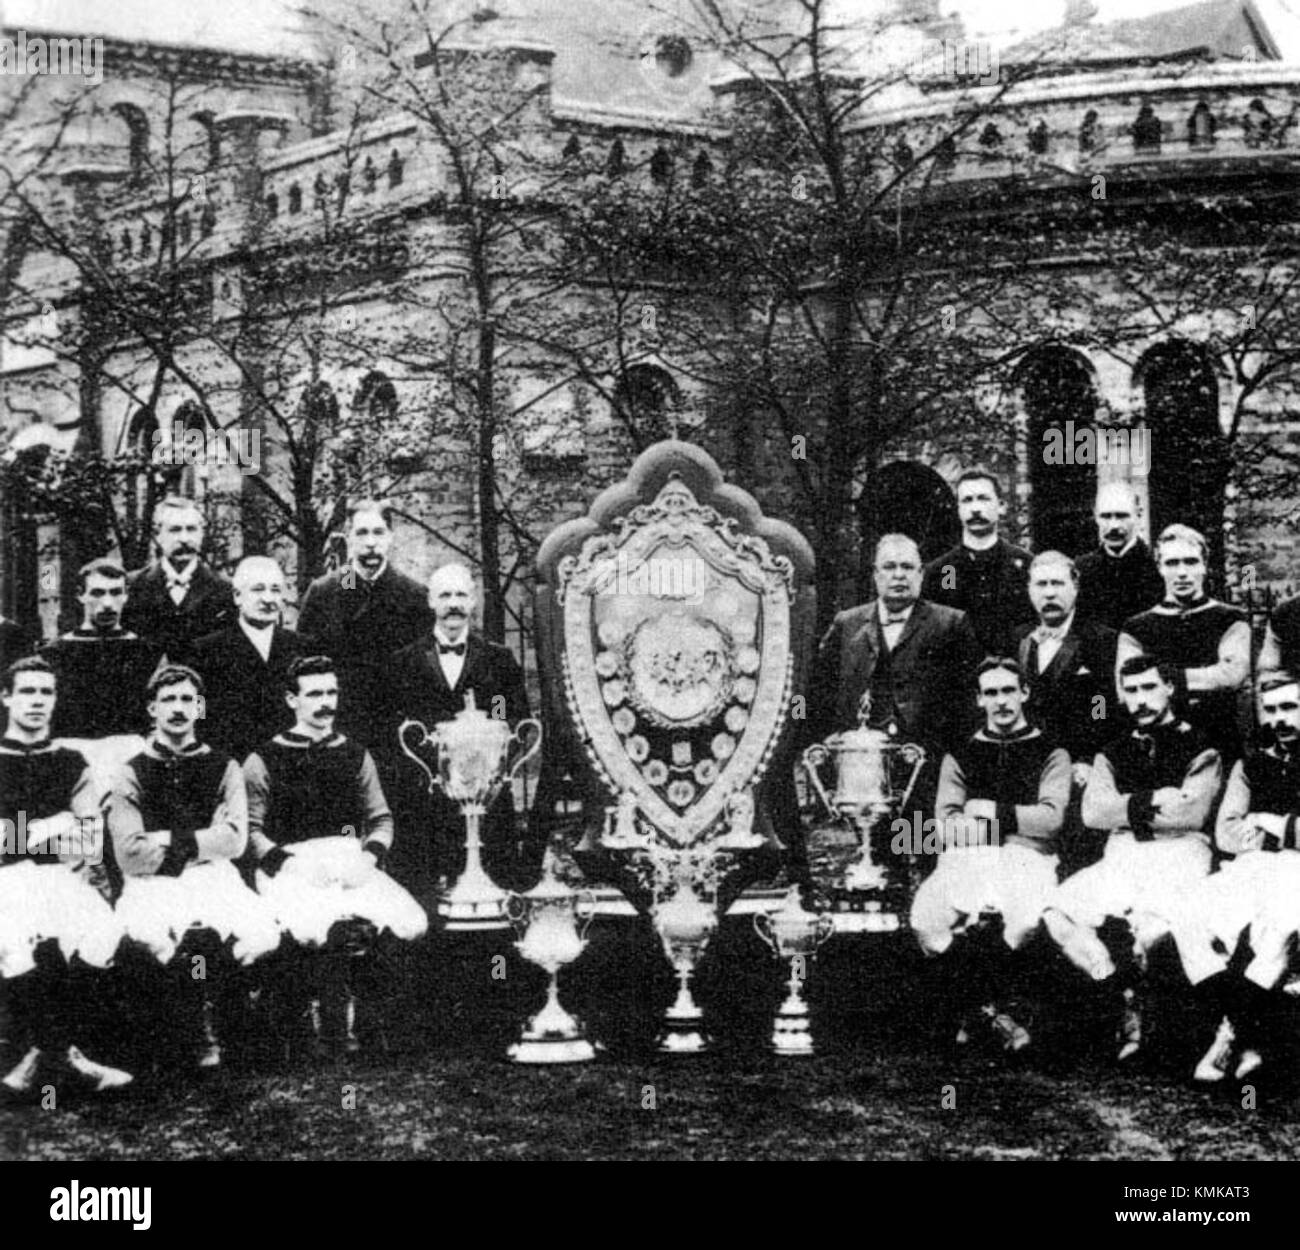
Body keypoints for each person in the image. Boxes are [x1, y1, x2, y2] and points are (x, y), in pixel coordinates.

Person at [1042, 654, 1221, 1062]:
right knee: (1058, 912)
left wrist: (1123, 808)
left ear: (1170, 689)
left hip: (1181, 852)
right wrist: (1150, 800)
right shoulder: (1112, 750)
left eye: (1149, 688)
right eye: (1131, 690)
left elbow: (1190, 814)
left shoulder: (1201, 745)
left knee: (1154, 930)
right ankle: (1117, 990)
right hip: (1123, 852)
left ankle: (1156, 1019)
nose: (1140, 699)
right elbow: (1093, 813)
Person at [244, 656, 427, 1057]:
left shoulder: (355, 753)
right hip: (288, 863)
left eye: (331, 692)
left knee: (408, 921)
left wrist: (367, 859)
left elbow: (380, 819)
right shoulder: (263, 758)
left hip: (347, 858)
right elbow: (250, 830)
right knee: (318, 926)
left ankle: (373, 1023)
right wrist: (288, 864)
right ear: (292, 699)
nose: (325, 702)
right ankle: (325, 1030)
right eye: (314, 694)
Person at [105, 665, 281, 1072]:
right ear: (152, 708)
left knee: (258, 933)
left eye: (187, 700)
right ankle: (185, 1031)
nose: (178, 708)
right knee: (156, 937)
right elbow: (130, 853)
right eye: (168, 700)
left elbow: (235, 840)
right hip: (152, 882)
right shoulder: (130, 771)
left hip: (213, 877)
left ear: (200, 708)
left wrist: (165, 838)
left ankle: (230, 1022)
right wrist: (203, 837)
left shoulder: (224, 766)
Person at [911, 657, 1070, 1052]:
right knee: (925, 921)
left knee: (1023, 923)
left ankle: (976, 1010)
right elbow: (945, 827)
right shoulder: (960, 754)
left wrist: (989, 811)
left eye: (1008, 691)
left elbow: (1051, 821)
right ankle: (993, 1013)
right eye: (991, 693)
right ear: (979, 700)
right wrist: (1012, 820)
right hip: (967, 859)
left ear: (1024, 694)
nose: (1001, 701)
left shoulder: (1053, 752)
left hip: (1027, 859)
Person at [0, 658, 132, 1098]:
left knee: (104, 928)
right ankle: (68, 1057)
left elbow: (89, 838)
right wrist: (55, 823)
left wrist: (26, 830)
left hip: (61, 877)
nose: (37, 701)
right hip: (8, 881)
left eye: (46, 693)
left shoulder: (72, 760)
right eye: (27, 692)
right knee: (10, 941)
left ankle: (43, 1054)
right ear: (6, 697)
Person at [386, 562, 534, 896]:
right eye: (445, 595)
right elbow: (394, 729)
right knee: (427, 900)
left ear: (473, 602)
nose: (453, 603)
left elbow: (511, 719)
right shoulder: (404, 662)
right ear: (431, 602)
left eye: (461, 595)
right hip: (426, 803)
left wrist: (492, 745)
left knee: (492, 896)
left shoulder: (498, 660)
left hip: (486, 802)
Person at [1181, 672, 1300, 1083]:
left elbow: (1255, 825)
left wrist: (1273, 822)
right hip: (1254, 865)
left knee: (1282, 927)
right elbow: (1227, 832)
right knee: (1189, 916)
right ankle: (1245, 1035)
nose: (1280, 719)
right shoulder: (1253, 764)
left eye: (1290, 708)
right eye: (1272, 710)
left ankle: (1229, 1038)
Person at [809, 533, 982, 805]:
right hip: (863, 768)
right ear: (876, 575)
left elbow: (970, 699)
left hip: (930, 768)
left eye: (907, 567)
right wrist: (828, 739)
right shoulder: (847, 624)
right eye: (889, 567)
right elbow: (818, 688)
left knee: (924, 843)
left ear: (921, 574)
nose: (899, 575)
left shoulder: (951, 624)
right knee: (873, 844)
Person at [297, 500, 431, 755]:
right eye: (362, 533)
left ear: (390, 537)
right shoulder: (325, 592)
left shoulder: (414, 596)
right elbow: (303, 664)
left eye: (378, 532)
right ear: (348, 538)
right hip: (339, 730)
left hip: (398, 736)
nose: (371, 542)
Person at [1016, 552, 1119, 873]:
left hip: (1078, 768)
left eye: (1058, 584)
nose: (1049, 593)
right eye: (1041, 584)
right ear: (1030, 590)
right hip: (1029, 765)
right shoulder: (1018, 641)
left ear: (1075, 588)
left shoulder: (1101, 641)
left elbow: (1106, 708)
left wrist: (1089, 759)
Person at [1116, 524, 1249, 760]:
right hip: (1157, 745)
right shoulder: (1136, 627)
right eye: (1171, 563)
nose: (1182, 572)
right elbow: (1125, 688)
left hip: (1218, 740)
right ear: (1159, 567)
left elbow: (1231, 675)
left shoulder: (1230, 618)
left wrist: (1165, 679)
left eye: (1190, 562)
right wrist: (1201, 679)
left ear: (1205, 566)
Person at [193, 556, 305, 763]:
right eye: (258, 589)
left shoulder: (301, 647)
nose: (268, 599)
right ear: (237, 596)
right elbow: (198, 713)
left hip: (290, 765)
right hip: (230, 764)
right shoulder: (205, 651)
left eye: (275, 590)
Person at [42, 559, 163, 741]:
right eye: (97, 593)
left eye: (115, 593)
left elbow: (161, 710)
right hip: (72, 751)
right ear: (81, 595)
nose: (107, 603)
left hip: (131, 753)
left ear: (126, 595)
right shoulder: (55, 653)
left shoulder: (146, 652)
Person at [922, 468, 1033, 656]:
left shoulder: (1028, 566)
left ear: (1001, 506)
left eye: (983, 498)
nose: (975, 508)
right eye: (967, 500)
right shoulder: (940, 571)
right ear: (958, 509)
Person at [122, 496, 235, 666]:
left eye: (191, 529)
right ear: (156, 535)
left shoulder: (225, 589)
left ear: (202, 533)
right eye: (175, 530)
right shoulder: (133, 585)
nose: (184, 538)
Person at [1075, 483, 1165, 632]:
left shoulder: (1158, 568)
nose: (1114, 525)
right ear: (1095, 516)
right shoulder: (1081, 570)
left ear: (1139, 514)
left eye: (1122, 516)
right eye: (1106, 516)